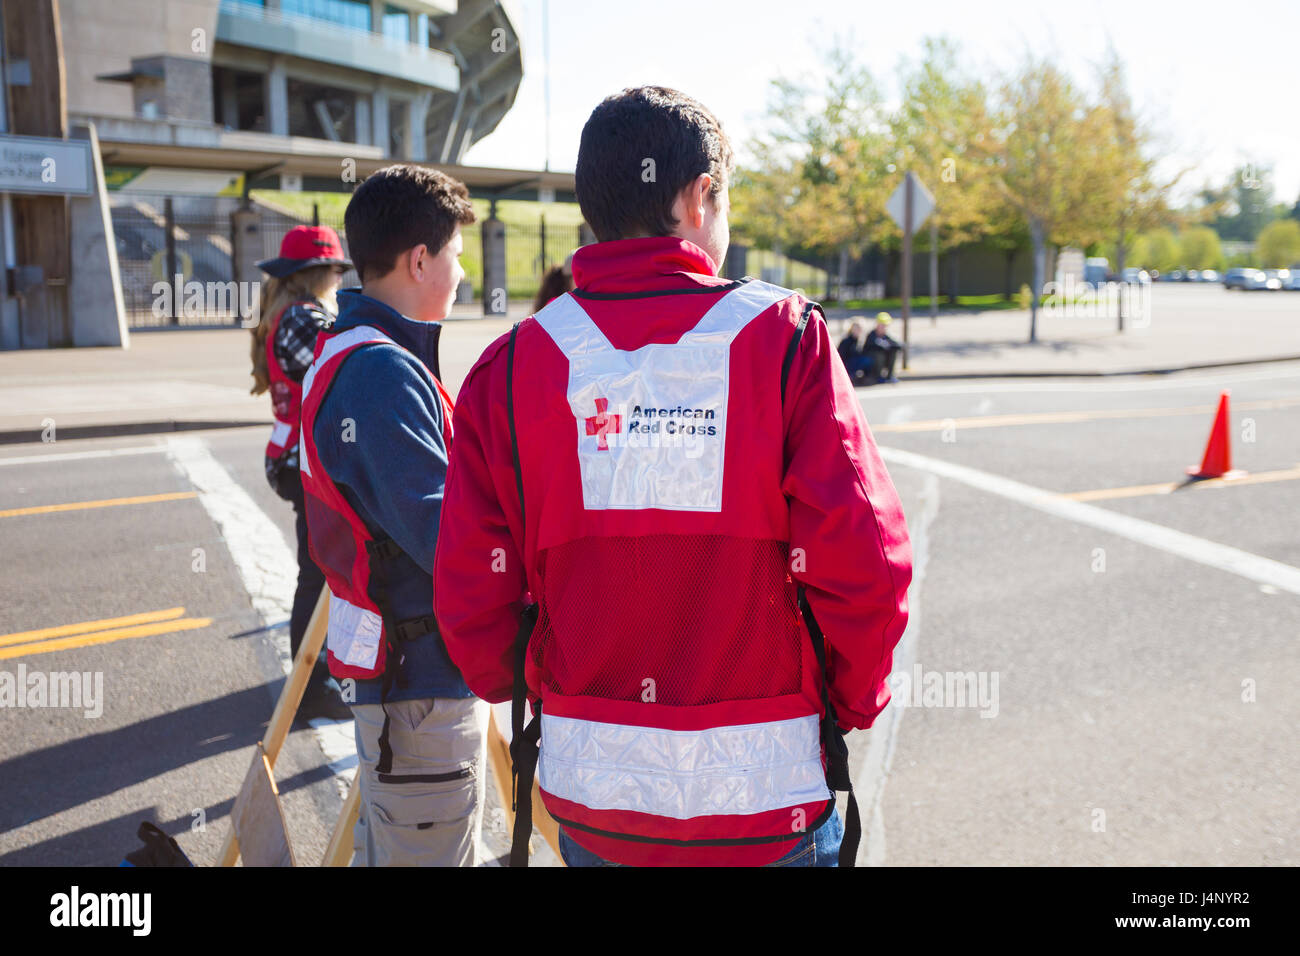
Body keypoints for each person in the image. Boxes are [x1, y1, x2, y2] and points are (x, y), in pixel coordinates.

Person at [433, 86, 913, 867]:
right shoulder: (784, 338)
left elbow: (469, 594)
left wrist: (544, 678)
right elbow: (867, 562)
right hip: (766, 799)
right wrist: (847, 702)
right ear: (698, 198)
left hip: (597, 795)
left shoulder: (510, 368)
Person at [296, 165, 486, 866]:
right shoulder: (380, 371)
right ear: (419, 260)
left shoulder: (359, 353)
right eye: (457, 256)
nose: (463, 274)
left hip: (401, 681)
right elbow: (450, 539)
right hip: (420, 689)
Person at [249, 225, 348, 700]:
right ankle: (309, 689)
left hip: (289, 455)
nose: (337, 278)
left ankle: (313, 675)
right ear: (318, 272)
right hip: (301, 460)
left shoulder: (288, 315)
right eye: (333, 269)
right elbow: (341, 377)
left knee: (319, 568)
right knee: (316, 572)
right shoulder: (304, 319)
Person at [836, 316, 877, 385]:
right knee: (865, 360)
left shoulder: (860, 339)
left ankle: (866, 378)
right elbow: (841, 355)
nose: (858, 330)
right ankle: (849, 376)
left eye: (860, 328)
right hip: (846, 363)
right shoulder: (846, 340)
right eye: (856, 328)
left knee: (869, 359)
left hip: (854, 362)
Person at [865, 311, 904, 383]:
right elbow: (879, 346)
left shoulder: (885, 336)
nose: (884, 327)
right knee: (879, 354)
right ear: (877, 325)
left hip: (884, 360)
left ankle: (890, 376)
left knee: (893, 352)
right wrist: (887, 345)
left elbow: (895, 344)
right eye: (882, 325)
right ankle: (878, 376)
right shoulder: (871, 335)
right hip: (871, 361)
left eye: (885, 326)